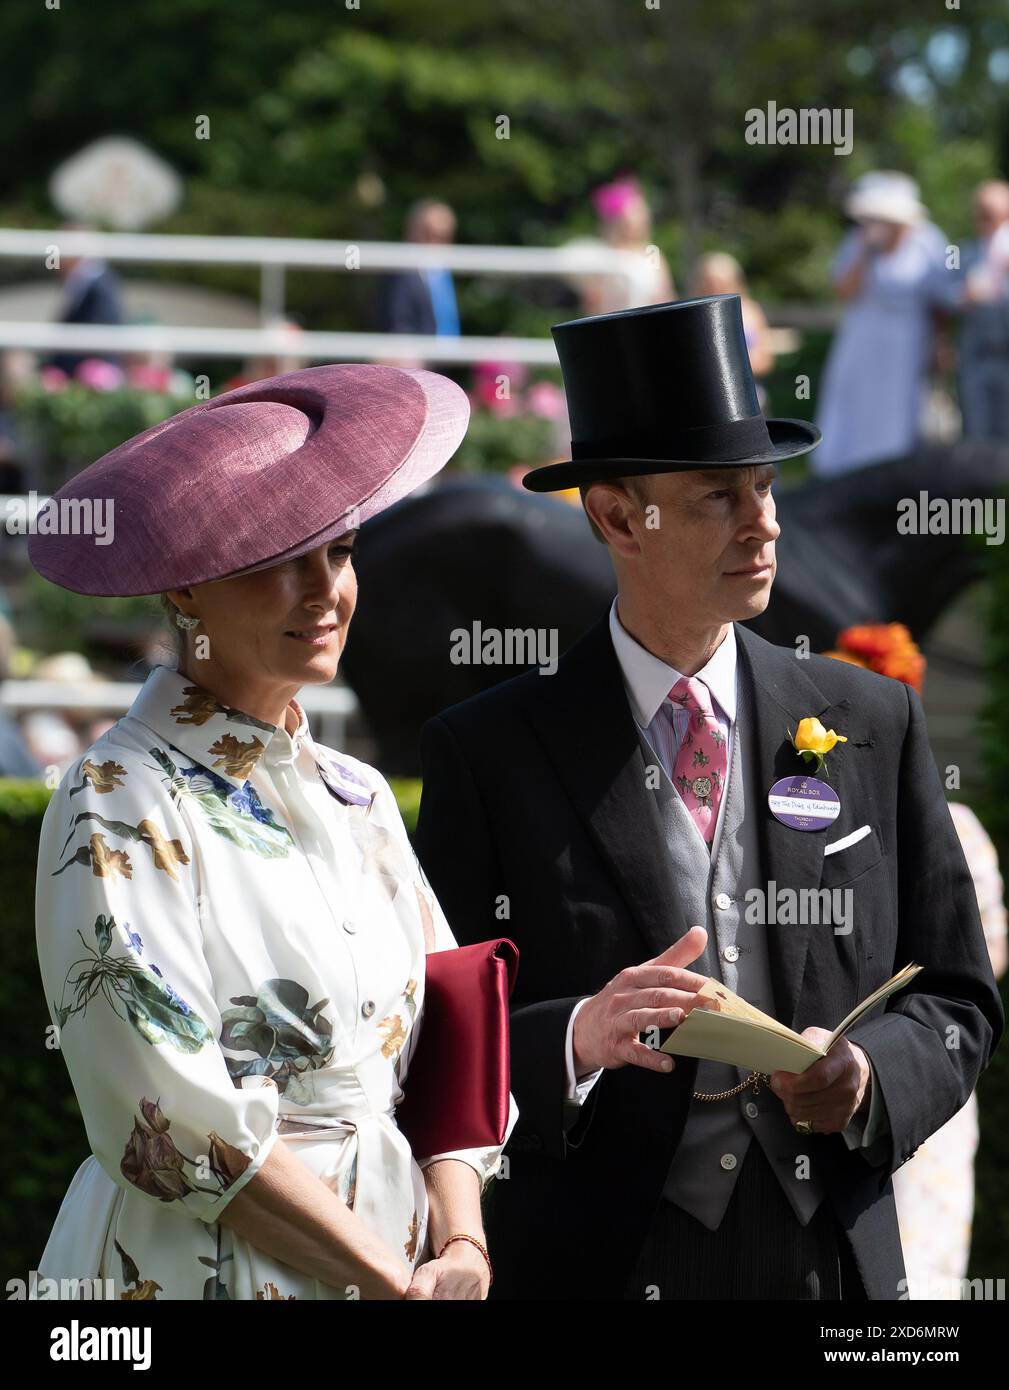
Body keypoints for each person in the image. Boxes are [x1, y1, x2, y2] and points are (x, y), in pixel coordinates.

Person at [414, 295, 1003, 1301]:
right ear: (612, 516)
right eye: (717, 496)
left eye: (767, 487)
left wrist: (864, 1076)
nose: (766, 522)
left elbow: (955, 998)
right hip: (594, 1264)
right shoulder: (486, 751)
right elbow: (432, 1033)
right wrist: (573, 1035)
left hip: (835, 1268)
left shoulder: (874, 718)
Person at [29, 363, 516, 1301]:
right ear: (184, 594)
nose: (323, 591)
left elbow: (456, 1027)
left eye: (338, 552)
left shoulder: (360, 792)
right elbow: (167, 1112)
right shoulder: (114, 793)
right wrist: (388, 1277)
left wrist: (462, 1247)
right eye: (274, 560)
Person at [813, 172, 954, 476]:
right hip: (861, 336)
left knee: (897, 409)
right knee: (854, 401)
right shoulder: (858, 241)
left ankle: (891, 473)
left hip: (906, 341)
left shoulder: (929, 241)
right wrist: (866, 251)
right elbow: (843, 291)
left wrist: (941, 343)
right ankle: (844, 470)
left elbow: (941, 301)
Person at [958, 180, 1009, 441]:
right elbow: (945, 294)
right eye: (982, 213)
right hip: (977, 357)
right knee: (978, 434)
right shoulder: (966, 254)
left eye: (992, 213)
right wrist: (963, 297)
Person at [375, 199, 460, 343]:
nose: (437, 242)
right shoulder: (402, 272)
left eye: (444, 236)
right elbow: (398, 324)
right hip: (414, 358)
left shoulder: (443, 272)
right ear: (414, 232)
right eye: (431, 234)